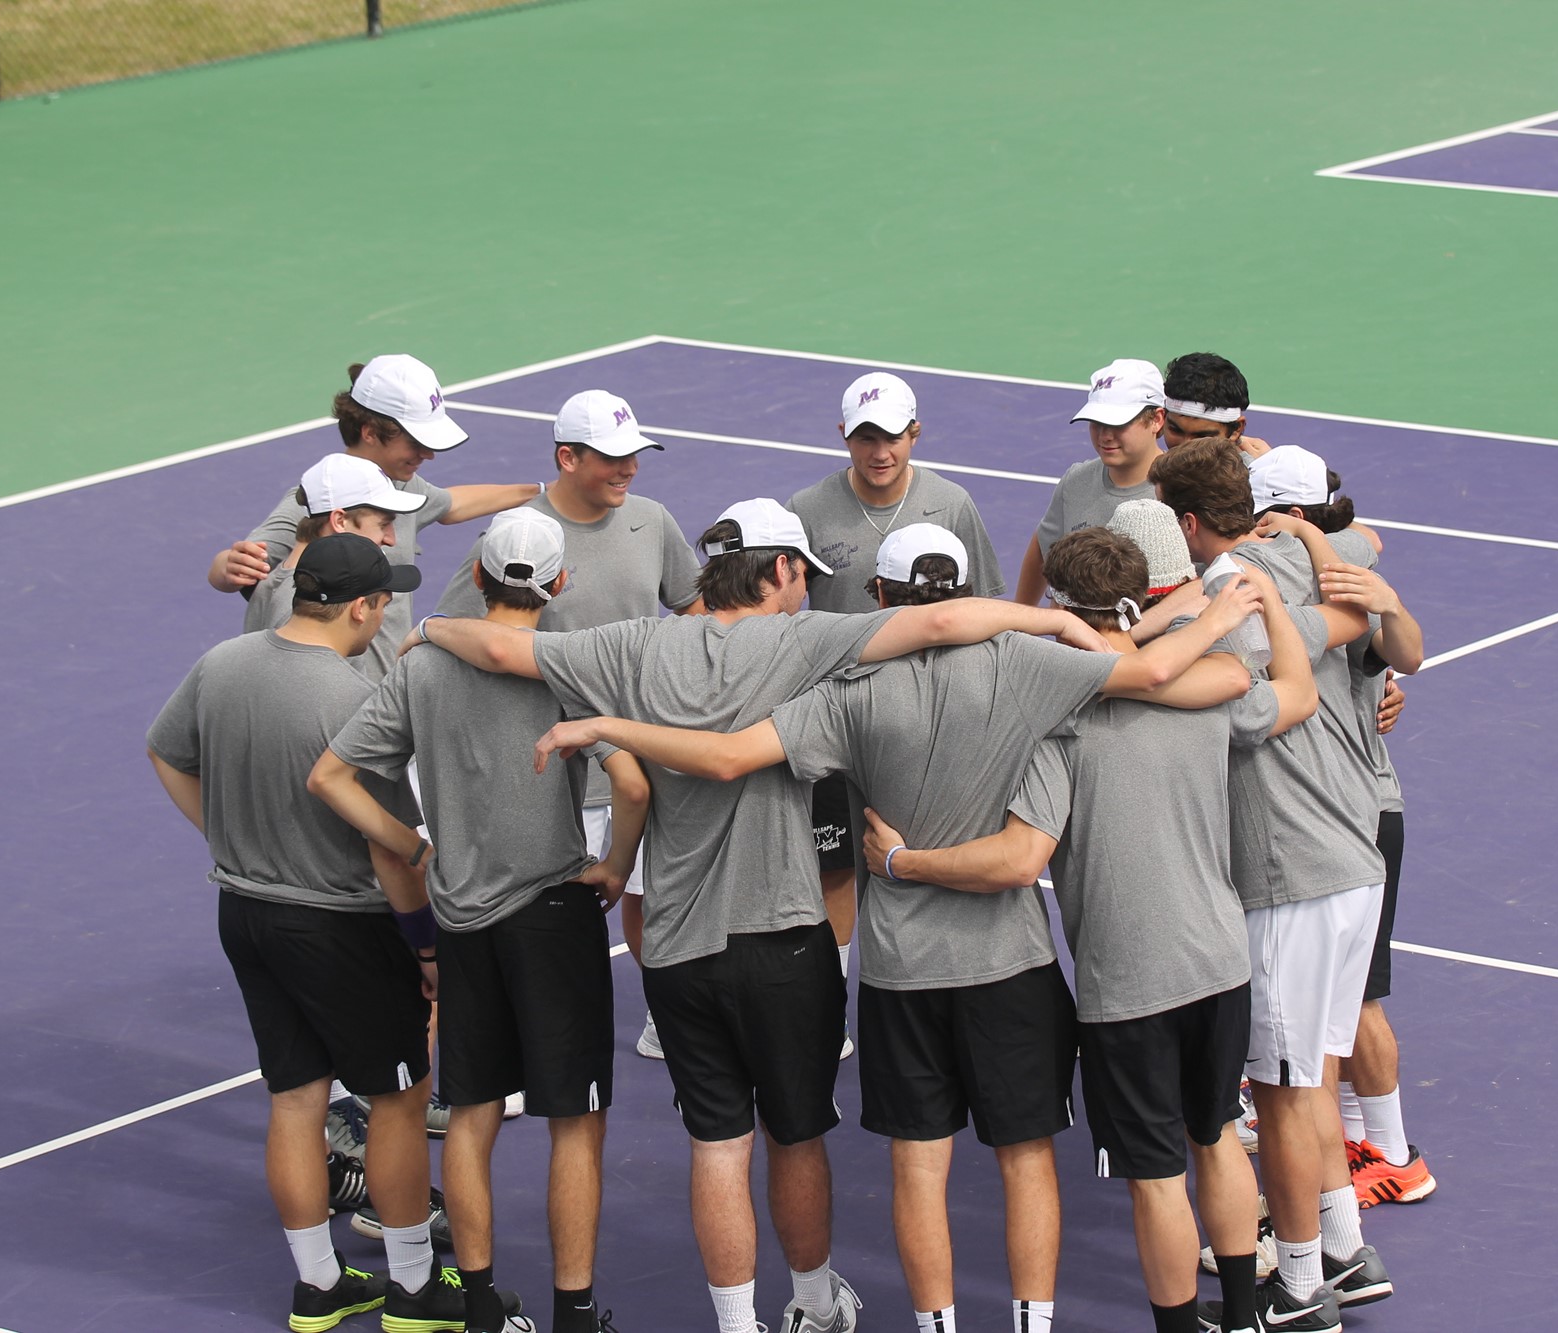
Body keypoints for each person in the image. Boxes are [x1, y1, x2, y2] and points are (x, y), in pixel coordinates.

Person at [407, 498, 1125, 1333]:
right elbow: (939, 624)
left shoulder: (631, 645)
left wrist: (427, 627)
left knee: (718, 1144)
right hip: (786, 937)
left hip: (677, 944)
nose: (806, 590)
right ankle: (814, 1303)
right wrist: (1056, 622)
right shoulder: (802, 642)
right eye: (801, 576)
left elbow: (500, 647)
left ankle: (737, 1324)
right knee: (796, 1134)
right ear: (780, 569)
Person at [527, 523, 1261, 1333]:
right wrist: (1211, 614)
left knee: (918, 1166)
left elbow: (727, 755)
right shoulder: (1030, 668)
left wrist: (609, 726)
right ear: (971, 592)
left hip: (901, 973)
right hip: (1011, 964)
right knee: (1026, 1159)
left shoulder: (846, 691)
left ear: (878, 594)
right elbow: (1150, 672)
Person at [860, 525, 1317, 1333]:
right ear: (1142, 595)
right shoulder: (1213, 685)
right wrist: (1265, 608)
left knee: (1157, 1176)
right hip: (1220, 960)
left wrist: (902, 862)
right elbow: (1298, 693)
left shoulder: (1055, 721)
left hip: (1126, 983)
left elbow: (1020, 857)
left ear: (1062, 608)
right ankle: (1245, 1319)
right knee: (1216, 1135)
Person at [146, 535, 520, 1333]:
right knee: (398, 1098)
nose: (383, 616)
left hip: (245, 911)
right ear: (360, 608)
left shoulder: (222, 663)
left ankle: (318, 1284)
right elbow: (392, 849)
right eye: (383, 602)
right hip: (341, 926)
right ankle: (414, 1287)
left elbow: (166, 752)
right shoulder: (357, 698)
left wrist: (225, 835)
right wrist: (427, 946)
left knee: (295, 1096)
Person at [312, 510, 645, 1333]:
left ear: (481, 574)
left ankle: (484, 1311)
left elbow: (332, 776)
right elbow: (634, 783)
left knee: (471, 1114)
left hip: (462, 918)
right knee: (576, 1121)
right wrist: (615, 864)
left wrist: (412, 845)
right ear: (558, 582)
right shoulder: (570, 664)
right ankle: (575, 1314)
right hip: (555, 915)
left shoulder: (420, 668)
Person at [1148, 440, 1422, 1331]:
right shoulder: (1327, 566)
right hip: (1351, 863)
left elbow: (1171, 665)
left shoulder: (1234, 604)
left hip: (1289, 875)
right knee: (1312, 1079)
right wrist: (1313, 543)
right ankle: (1344, 1248)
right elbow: (1362, 546)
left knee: (1282, 1092)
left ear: (1192, 522)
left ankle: (1300, 1287)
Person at [430, 389, 700, 1065]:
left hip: (642, 758)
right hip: (554, 775)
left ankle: (664, 1016)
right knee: (540, 928)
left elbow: (694, 613)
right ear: (567, 457)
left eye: (634, 455)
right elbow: (467, 632)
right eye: (611, 457)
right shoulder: (515, 537)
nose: (628, 469)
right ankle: (515, 1058)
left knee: (656, 896)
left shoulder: (652, 520)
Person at [786, 373, 1010, 1053]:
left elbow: (985, 604)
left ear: (915, 434)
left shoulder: (952, 503)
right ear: (843, 436)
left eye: (891, 437)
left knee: (925, 853)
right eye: (864, 437)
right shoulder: (807, 509)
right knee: (834, 867)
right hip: (842, 720)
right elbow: (787, 610)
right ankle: (833, 1010)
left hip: (936, 718)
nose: (878, 451)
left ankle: (942, 995)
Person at [1248, 449, 1436, 1208]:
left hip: (1351, 818)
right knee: (1335, 1016)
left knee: (1353, 1006)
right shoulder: (1336, 568)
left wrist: (1384, 602)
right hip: (1342, 816)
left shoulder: (1338, 585)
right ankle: (1356, 1142)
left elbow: (1408, 654)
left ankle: (1392, 1154)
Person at [207, 355, 543, 669]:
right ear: (370, 432)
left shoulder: (403, 487)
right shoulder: (315, 504)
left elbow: (449, 504)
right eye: (416, 442)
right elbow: (241, 567)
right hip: (334, 690)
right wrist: (227, 566)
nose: (428, 454)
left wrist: (542, 491)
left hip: (380, 691)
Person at [242, 454, 430, 679]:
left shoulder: (286, 588)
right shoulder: (312, 607)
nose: (391, 539)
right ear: (340, 521)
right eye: (383, 524)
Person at [1012, 359, 1169, 606]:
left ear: (1156, 420)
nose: (1105, 436)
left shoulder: (1180, 491)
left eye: (1118, 423)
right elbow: (1042, 549)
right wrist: (1021, 618)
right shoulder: (1076, 480)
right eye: (1097, 423)